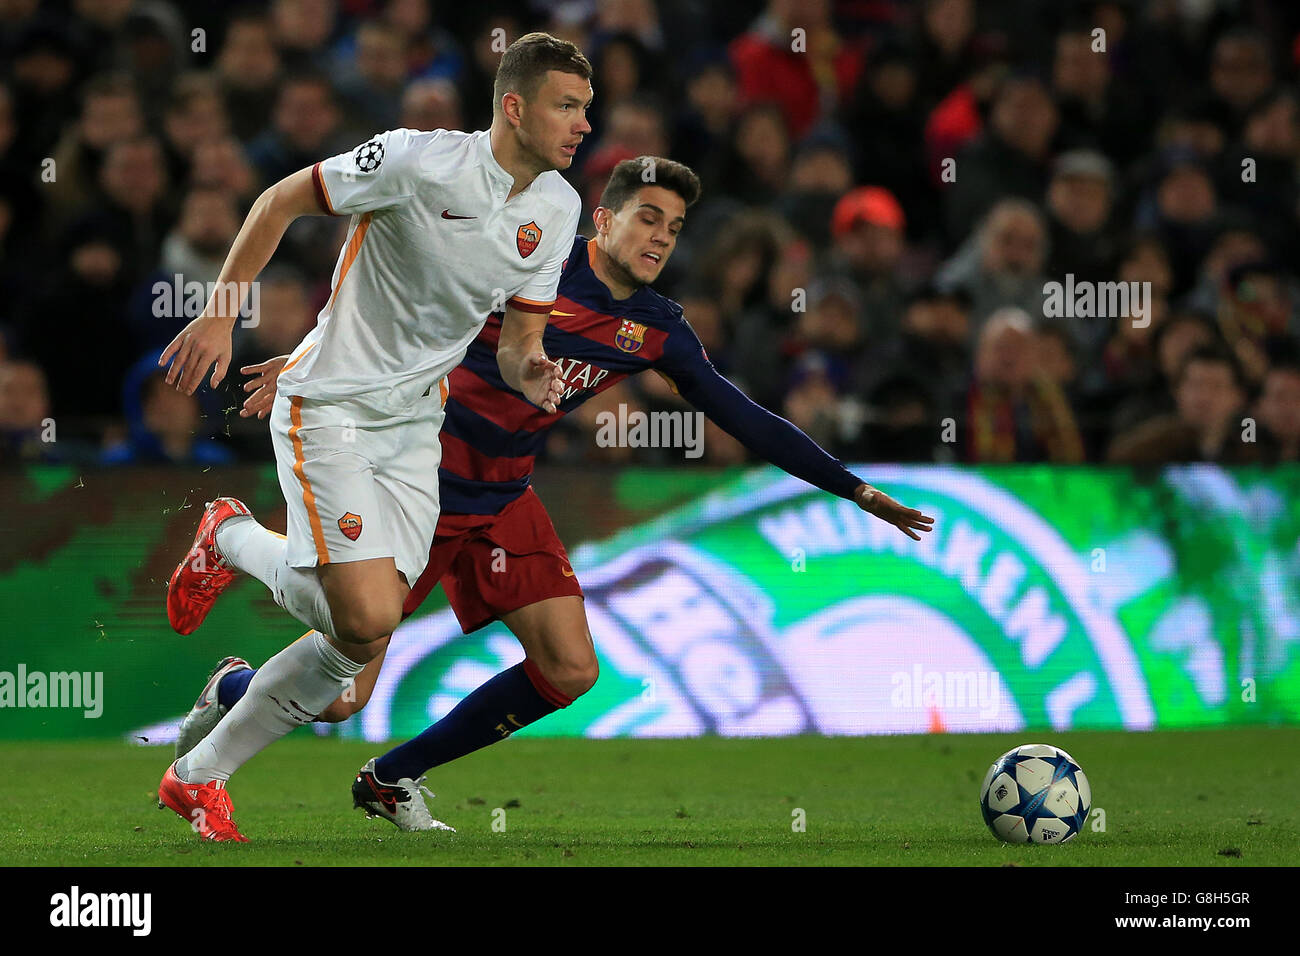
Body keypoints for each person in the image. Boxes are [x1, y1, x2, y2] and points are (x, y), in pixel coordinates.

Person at [182, 156, 936, 833]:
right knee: (341, 697)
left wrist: (856, 489)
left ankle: (391, 776)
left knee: (570, 670)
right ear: (602, 219)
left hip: (505, 498)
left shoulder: (658, 329)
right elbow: (398, 316)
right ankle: (237, 667)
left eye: (674, 227)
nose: (661, 237)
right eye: (647, 217)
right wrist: (317, 363)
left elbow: (743, 416)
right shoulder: (526, 268)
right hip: (415, 487)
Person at [156, 32, 593, 842]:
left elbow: (515, 346)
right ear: (514, 106)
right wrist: (220, 315)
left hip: (414, 428)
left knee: (360, 638)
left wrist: (538, 374)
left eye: (586, 110)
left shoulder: (558, 208)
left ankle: (196, 770)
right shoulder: (418, 161)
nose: (580, 126)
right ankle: (236, 545)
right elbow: (278, 200)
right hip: (329, 407)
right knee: (364, 617)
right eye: (566, 106)